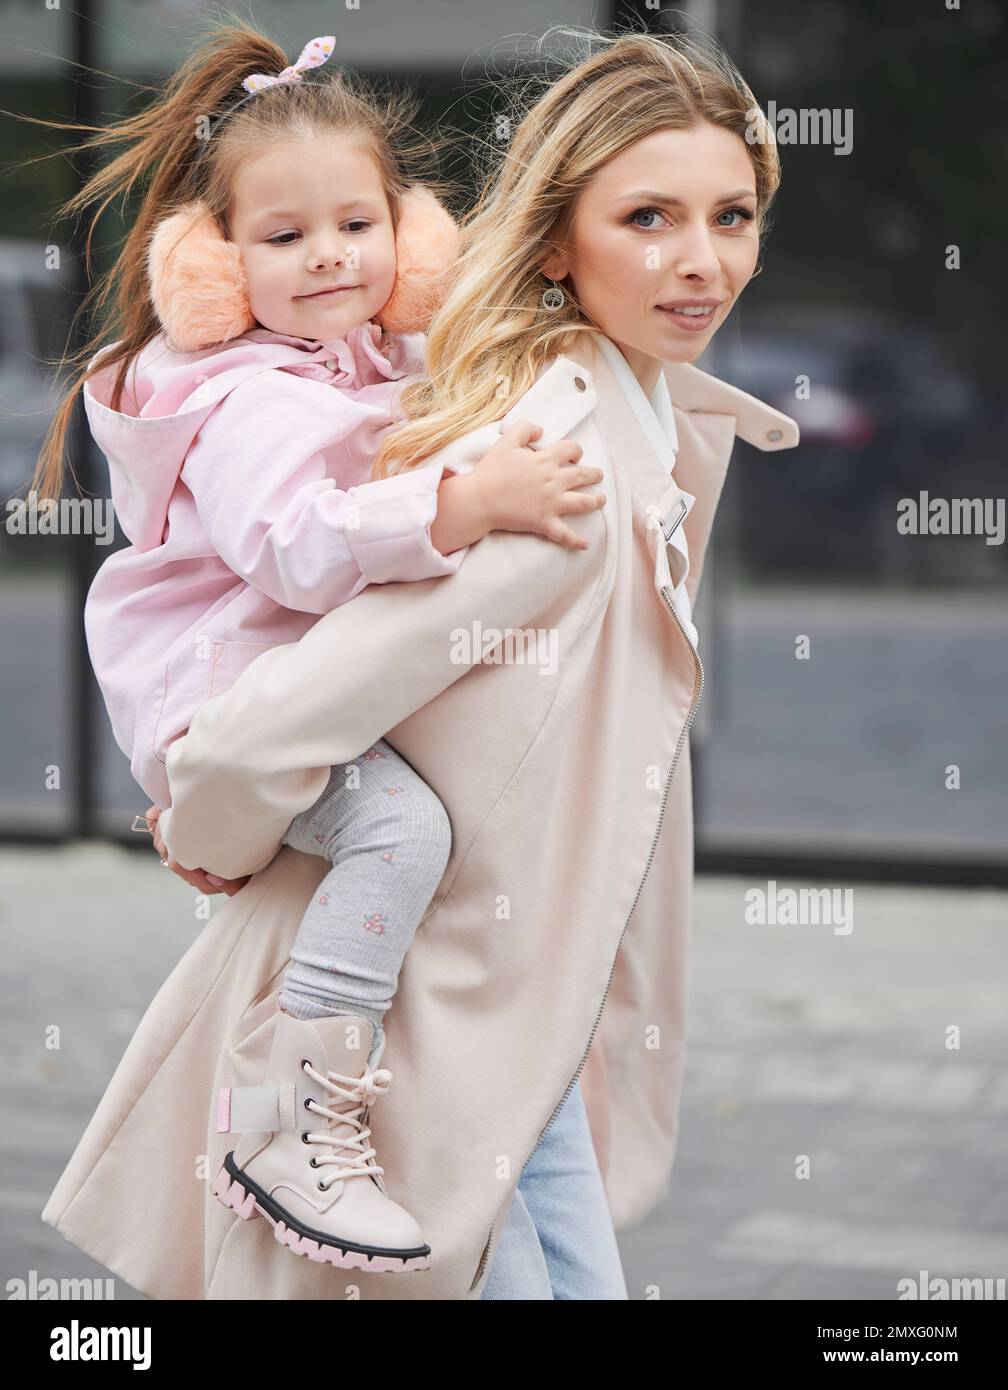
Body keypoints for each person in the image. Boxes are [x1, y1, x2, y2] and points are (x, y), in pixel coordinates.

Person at [42, 24, 798, 1300]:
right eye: (650, 216)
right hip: (417, 1026)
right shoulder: (554, 452)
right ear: (558, 239)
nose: (699, 260)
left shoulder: (610, 411)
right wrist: (215, 814)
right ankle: (289, 1120)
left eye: (732, 215)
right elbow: (283, 706)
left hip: (516, 1013)